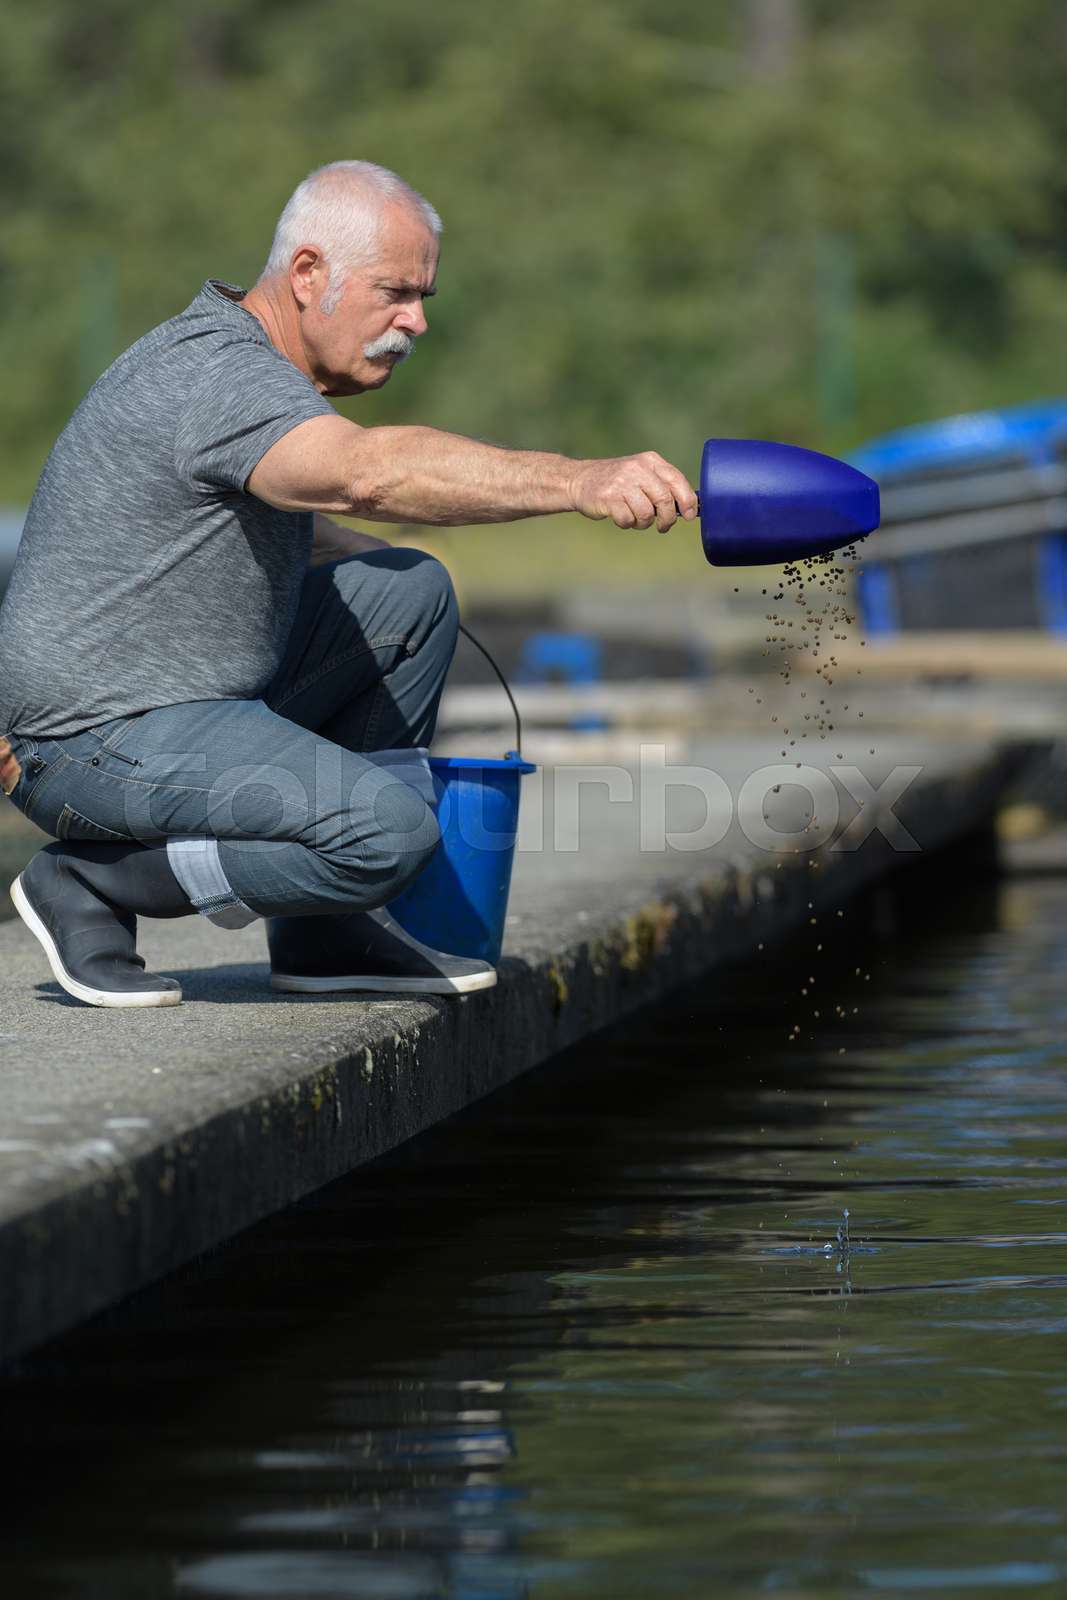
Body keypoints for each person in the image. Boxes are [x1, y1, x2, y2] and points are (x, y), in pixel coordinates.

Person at [0, 160, 698, 1009]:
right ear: (307, 275)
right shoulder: (222, 376)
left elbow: (268, 522)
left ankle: (323, 933)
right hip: (87, 741)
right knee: (388, 830)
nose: (415, 322)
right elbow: (367, 474)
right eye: (395, 293)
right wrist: (577, 482)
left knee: (404, 591)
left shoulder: (249, 371)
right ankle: (97, 884)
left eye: (424, 299)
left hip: (187, 702)